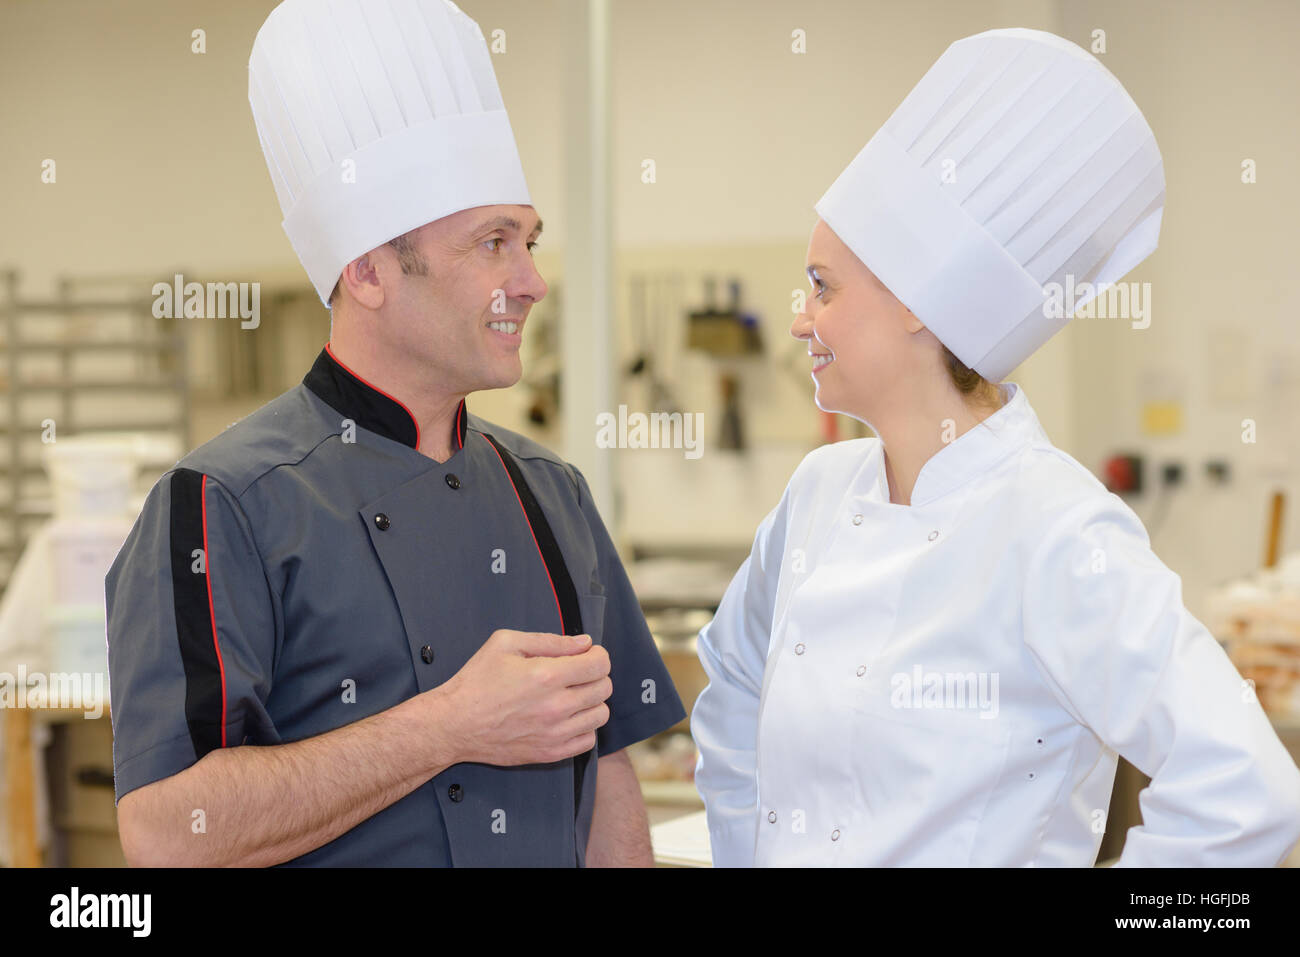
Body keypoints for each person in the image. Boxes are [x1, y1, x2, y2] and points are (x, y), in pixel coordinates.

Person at [691, 27, 1300, 866]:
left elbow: (1249, 794)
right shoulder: (818, 492)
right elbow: (730, 694)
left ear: (917, 300)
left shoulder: (1056, 526)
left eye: (822, 287)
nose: (799, 316)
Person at [106, 0, 684, 867]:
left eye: (528, 240)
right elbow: (165, 833)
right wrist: (448, 726)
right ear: (368, 272)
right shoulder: (224, 504)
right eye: (492, 243)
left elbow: (606, 766)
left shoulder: (549, 487)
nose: (530, 281)